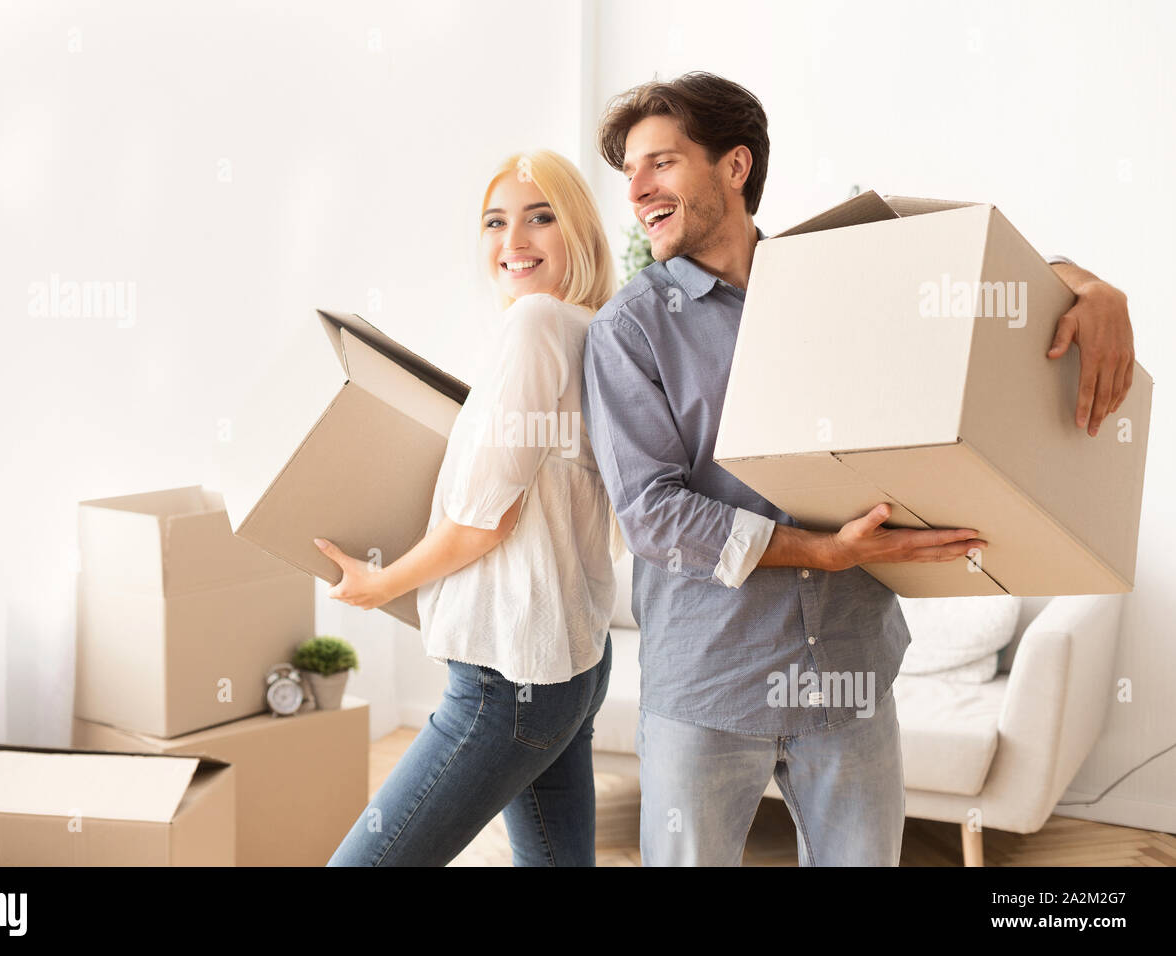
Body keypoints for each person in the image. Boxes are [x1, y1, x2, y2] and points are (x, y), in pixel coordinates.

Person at [580, 71, 1137, 866]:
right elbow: (652, 514)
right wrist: (823, 550)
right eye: (628, 172)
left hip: (848, 673)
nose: (637, 189)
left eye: (660, 163)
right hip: (707, 687)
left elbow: (968, 280)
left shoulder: (839, 283)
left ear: (734, 168)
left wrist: (1085, 283)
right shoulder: (630, 332)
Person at [317, 148, 622, 866]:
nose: (513, 241)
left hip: (510, 678)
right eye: (496, 221)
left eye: (539, 218)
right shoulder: (590, 330)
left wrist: (379, 584)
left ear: (577, 230)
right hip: (570, 662)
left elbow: (488, 519)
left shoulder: (537, 324)